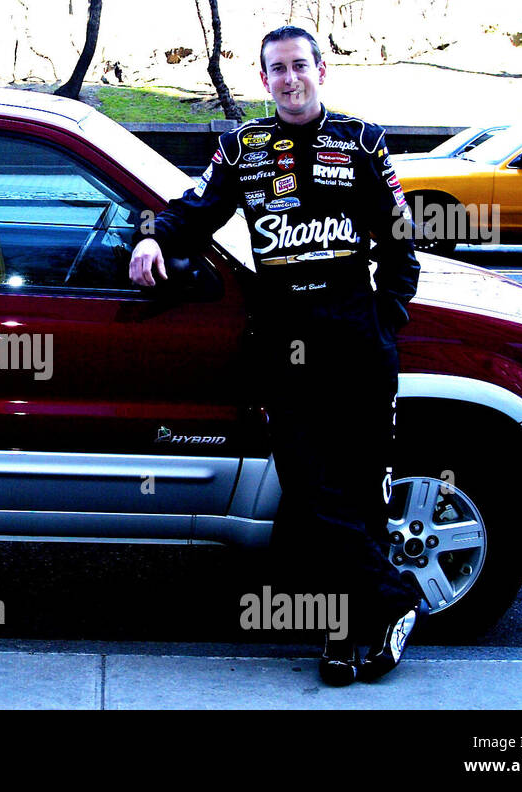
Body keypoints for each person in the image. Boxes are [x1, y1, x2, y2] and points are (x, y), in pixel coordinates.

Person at [129, 25, 422, 686]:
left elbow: (401, 240)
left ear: (322, 69)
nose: (288, 79)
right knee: (312, 491)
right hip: (285, 350)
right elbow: (192, 210)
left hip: (355, 340)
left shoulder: (363, 140)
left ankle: (349, 634)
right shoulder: (244, 148)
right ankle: (399, 596)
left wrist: (388, 317)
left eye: (299, 66)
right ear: (262, 80)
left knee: (359, 492)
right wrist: (150, 239)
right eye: (276, 70)